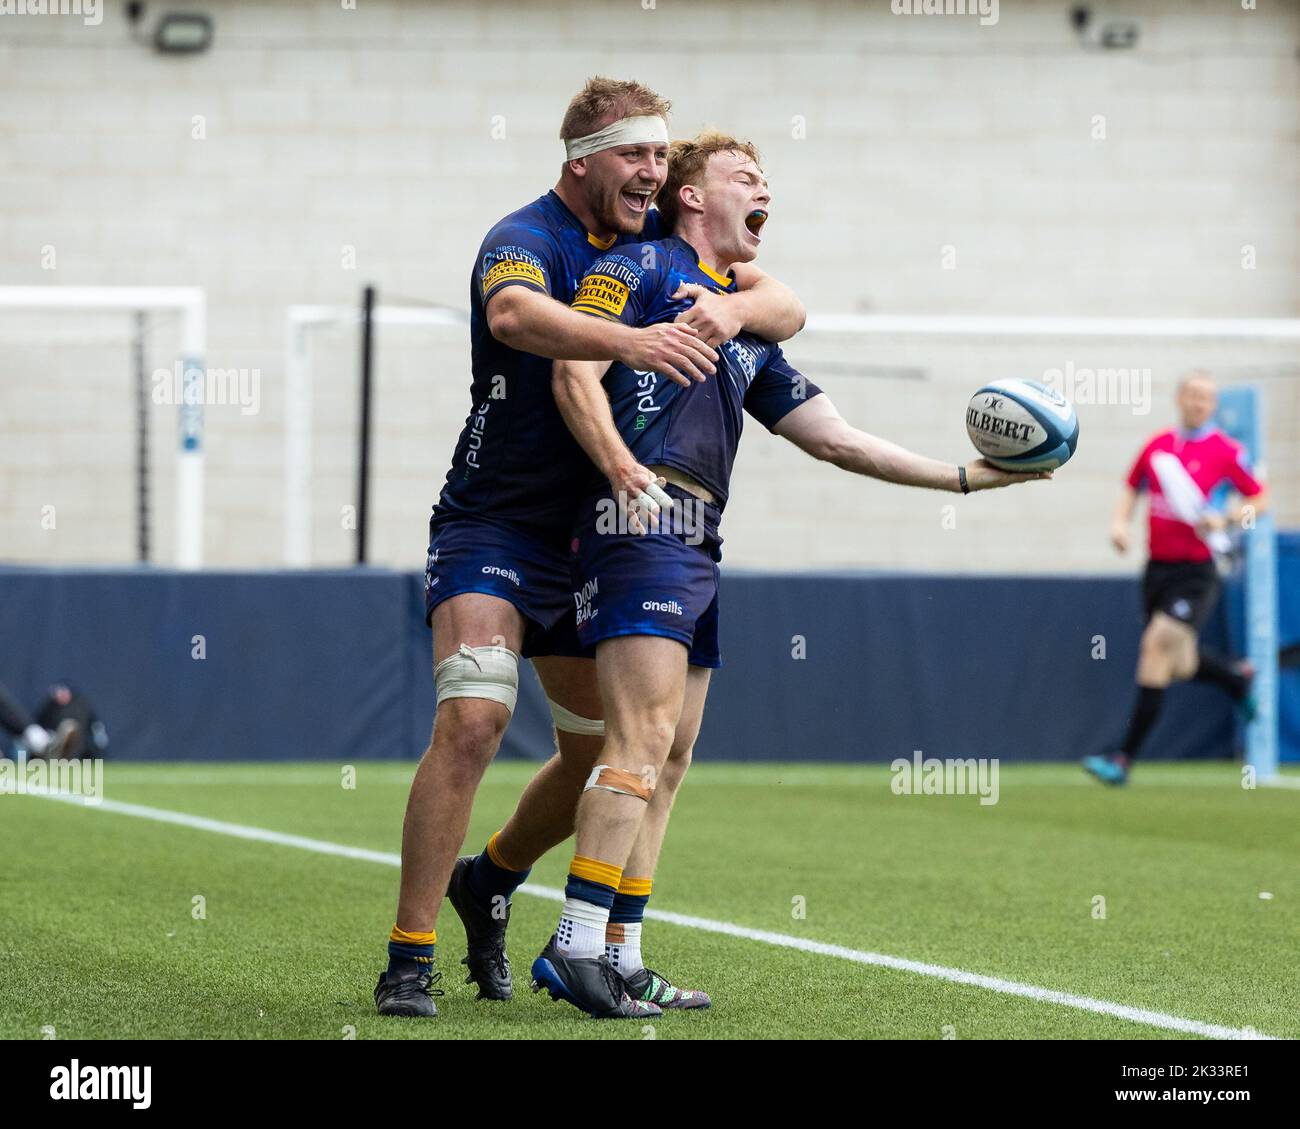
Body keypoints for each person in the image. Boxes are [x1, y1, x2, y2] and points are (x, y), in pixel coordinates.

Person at [530, 131, 1049, 1018]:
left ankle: (622, 952)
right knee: (642, 738)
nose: (763, 188)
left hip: (697, 536)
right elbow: (574, 365)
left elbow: (838, 439)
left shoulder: (749, 328)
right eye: (744, 177)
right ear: (692, 196)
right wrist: (621, 468)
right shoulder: (639, 264)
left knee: (674, 755)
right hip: (639, 518)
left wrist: (965, 478)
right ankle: (574, 944)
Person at [375, 79, 807, 1019]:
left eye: (662, 158)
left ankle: (489, 879)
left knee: (597, 756)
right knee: (476, 717)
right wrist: (640, 343)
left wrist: (735, 311)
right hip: (493, 522)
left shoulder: (655, 250)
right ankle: (409, 955)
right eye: (634, 157)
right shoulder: (524, 236)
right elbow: (516, 320)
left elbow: (773, 294)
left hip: (593, 537)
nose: (652, 172)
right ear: (582, 161)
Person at [1084, 371, 1268, 785]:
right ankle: (1236, 680)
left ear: (1214, 406)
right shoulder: (1159, 445)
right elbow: (1132, 486)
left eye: (1207, 398)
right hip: (1158, 569)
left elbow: (1260, 499)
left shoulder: (1226, 451)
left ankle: (1123, 759)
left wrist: (1227, 517)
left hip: (1197, 572)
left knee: (1155, 648)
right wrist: (1119, 525)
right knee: (1180, 664)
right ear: (1180, 398)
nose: (1198, 403)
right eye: (1193, 395)